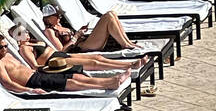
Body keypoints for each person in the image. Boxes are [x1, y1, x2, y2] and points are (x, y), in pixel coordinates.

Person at [12, 21, 141, 74]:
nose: (26, 34)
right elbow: (35, 66)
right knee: (93, 63)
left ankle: (129, 63)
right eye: (22, 33)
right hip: (55, 60)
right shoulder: (24, 49)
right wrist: (54, 70)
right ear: (17, 37)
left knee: (97, 57)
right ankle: (128, 66)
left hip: (59, 55)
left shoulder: (32, 43)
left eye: (26, 31)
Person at [0, 47, 126, 94]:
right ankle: (109, 84)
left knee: (74, 76)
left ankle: (108, 80)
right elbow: (7, 83)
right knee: (70, 83)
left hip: (38, 75)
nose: (5, 48)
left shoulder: (7, 55)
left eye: (6, 46)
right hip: (33, 82)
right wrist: (29, 90)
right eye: (2, 47)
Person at [40, 4, 140, 56]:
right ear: (48, 18)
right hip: (81, 48)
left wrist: (80, 32)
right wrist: (76, 36)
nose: (60, 17)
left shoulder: (59, 25)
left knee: (112, 13)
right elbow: (61, 50)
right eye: (57, 15)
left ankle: (127, 42)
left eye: (60, 15)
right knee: (108, 16)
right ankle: (125, 44)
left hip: (84, 42)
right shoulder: (50, 31)